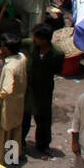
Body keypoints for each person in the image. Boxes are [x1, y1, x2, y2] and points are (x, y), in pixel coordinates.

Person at [20, 24, 64, 156]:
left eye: (37, 37)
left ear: (45, 40)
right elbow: (17, 43)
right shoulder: (30, 45)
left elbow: (57, 70)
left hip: (44, 90)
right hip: (29, 89)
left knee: (43, 119)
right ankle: (20, 142)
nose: (34, 39)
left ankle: (43, 145)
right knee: (24, 118)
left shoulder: (57, 54)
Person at [0, 35, 29, 165]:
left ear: (7, 49)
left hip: (7, 104)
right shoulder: (22, 58)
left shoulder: (9, 68)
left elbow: (7, 89)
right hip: (19, 102)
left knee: (0, 134)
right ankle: (12, 157)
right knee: (15, 130)